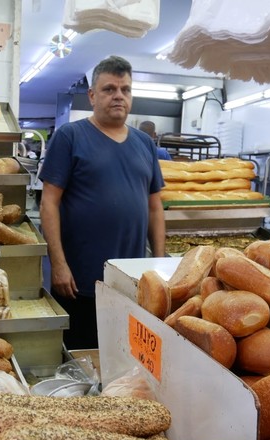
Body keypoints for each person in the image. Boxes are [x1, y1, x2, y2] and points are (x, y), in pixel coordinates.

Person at [39, 55, 166, 350]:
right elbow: (49, 204)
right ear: (93, 96)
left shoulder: (145, 144)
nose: (118, 96)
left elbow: (154, 208)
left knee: (125, 359)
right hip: (79, 283)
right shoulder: (70, 137)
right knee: (81, 360)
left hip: (131, 283)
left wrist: (158, 265)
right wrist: (57, 264)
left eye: (125, 89)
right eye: (109, 89)